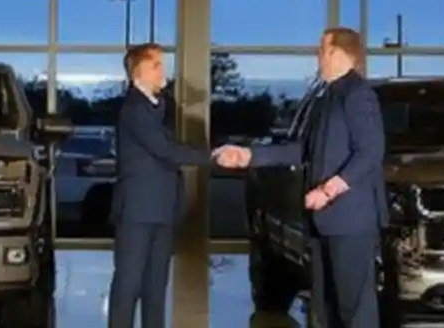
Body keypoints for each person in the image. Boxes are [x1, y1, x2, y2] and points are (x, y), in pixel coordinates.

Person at [214, 28, 387, 328]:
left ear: (336, 53)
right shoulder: (326, 98)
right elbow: (302, 150)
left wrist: (328, 190)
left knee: (354, 311)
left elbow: (371, 150)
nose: (317, 56)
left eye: (322, 49)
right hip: (322, 222)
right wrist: (248, 156)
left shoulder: (358, 95)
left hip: (350, 221)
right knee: (325, 307)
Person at [108, 42, 212, 328]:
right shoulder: (134, 110)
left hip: (162, 211)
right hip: (138, 213)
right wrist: (213, 156)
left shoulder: (159, 107)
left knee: (156, 289)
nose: (162, 71)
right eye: (156, 65)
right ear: (138, 72)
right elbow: (166, 150)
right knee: (128, 286)